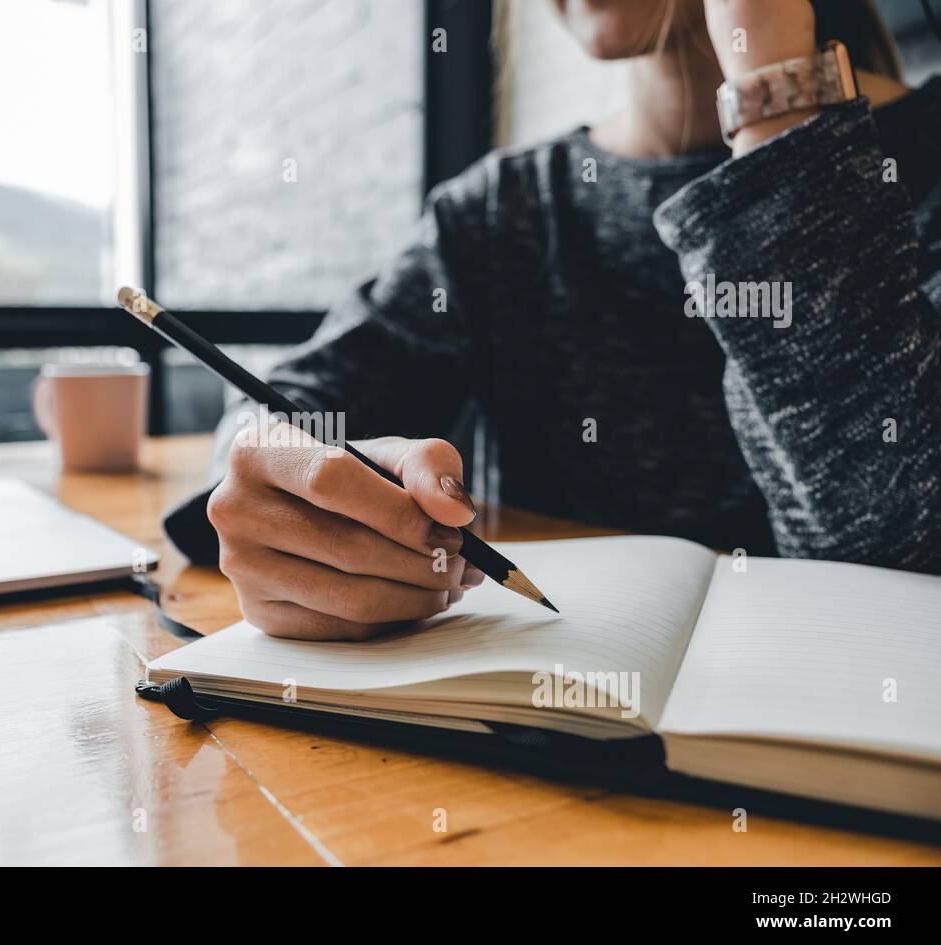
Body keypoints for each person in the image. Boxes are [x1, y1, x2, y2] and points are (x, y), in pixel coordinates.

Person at [165, 0, 941, 640]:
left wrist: (777, 106)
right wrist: (277, 484)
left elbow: (895, 564)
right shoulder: (505, 211)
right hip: (533, 779)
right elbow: (285, 404)